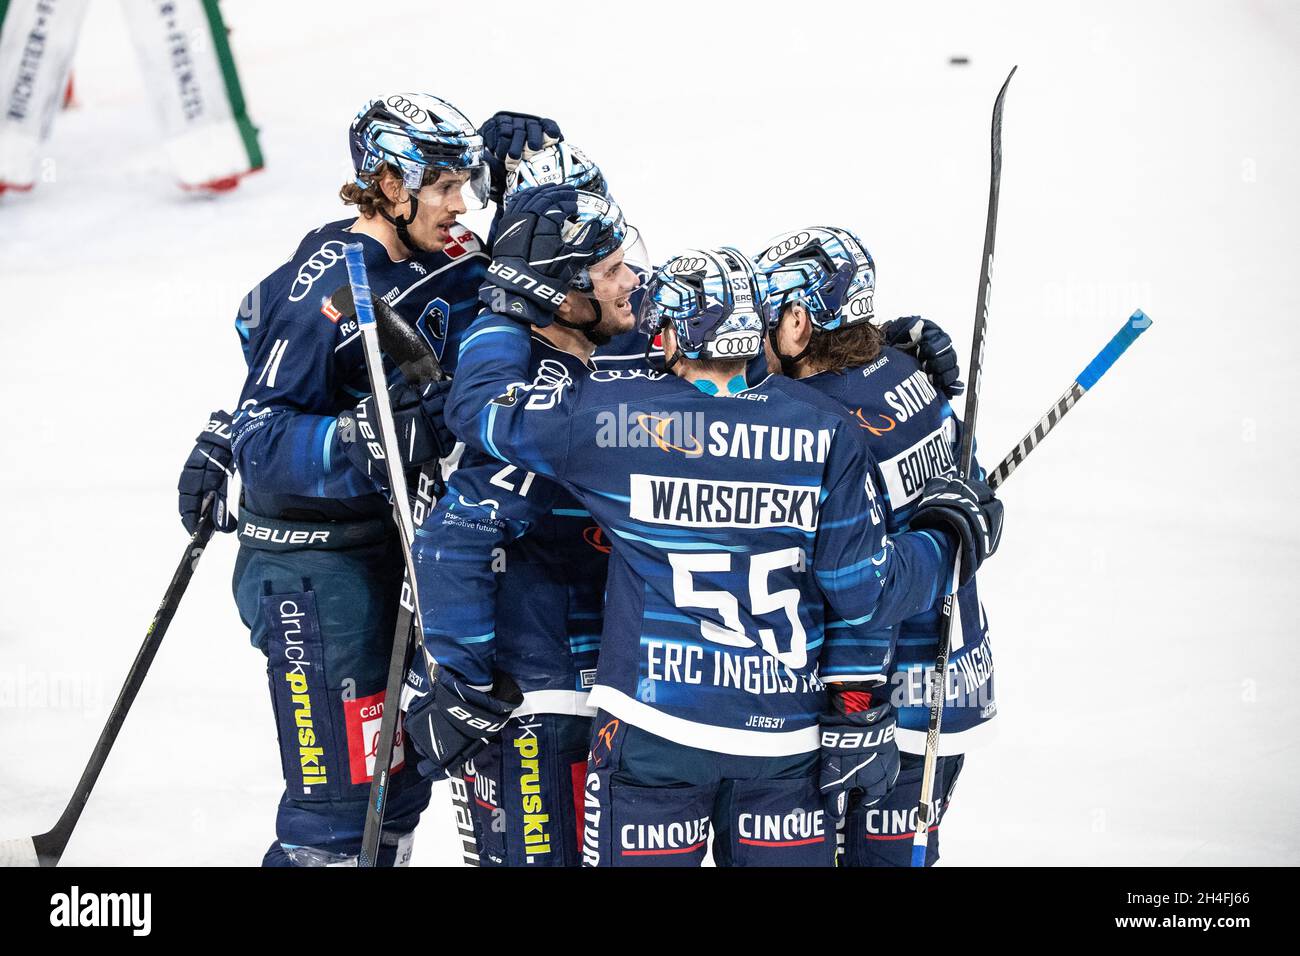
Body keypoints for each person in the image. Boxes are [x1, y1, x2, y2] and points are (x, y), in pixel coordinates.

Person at [442, 185, 1005, 866]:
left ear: (677, 334)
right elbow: (863, 589)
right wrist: (946, 538)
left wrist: (506, 310)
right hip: (783, 741)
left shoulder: (616, 423)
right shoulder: (825, 430)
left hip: (656, 730)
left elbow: (481, 408)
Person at [175, 94, 563, 866]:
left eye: (467, 183)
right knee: (340, 819)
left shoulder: (440, 259)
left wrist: (541, 179)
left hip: (393, 556)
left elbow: (552, 276)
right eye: (444, 185)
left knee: (393, 792)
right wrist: (362, 440)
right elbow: (261, 435)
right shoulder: (330, 282)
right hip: (317, 577)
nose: (462, 205)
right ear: (387, 183)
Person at [403, 187, 648, 867]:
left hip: (592, 684)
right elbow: (458, 536)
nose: (634, 282)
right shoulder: (547, 405)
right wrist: (462, 680)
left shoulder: (565, 357)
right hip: (545, 697)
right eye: (612, 272)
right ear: (564, 299)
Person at [756, 225, 997, 866]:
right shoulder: (909, 373)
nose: (752, 336)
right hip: (951, 680)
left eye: (763, 315)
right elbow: (972, 499)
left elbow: (864, 587)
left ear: (799, 323)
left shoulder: (811, 418)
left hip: (873, 708)